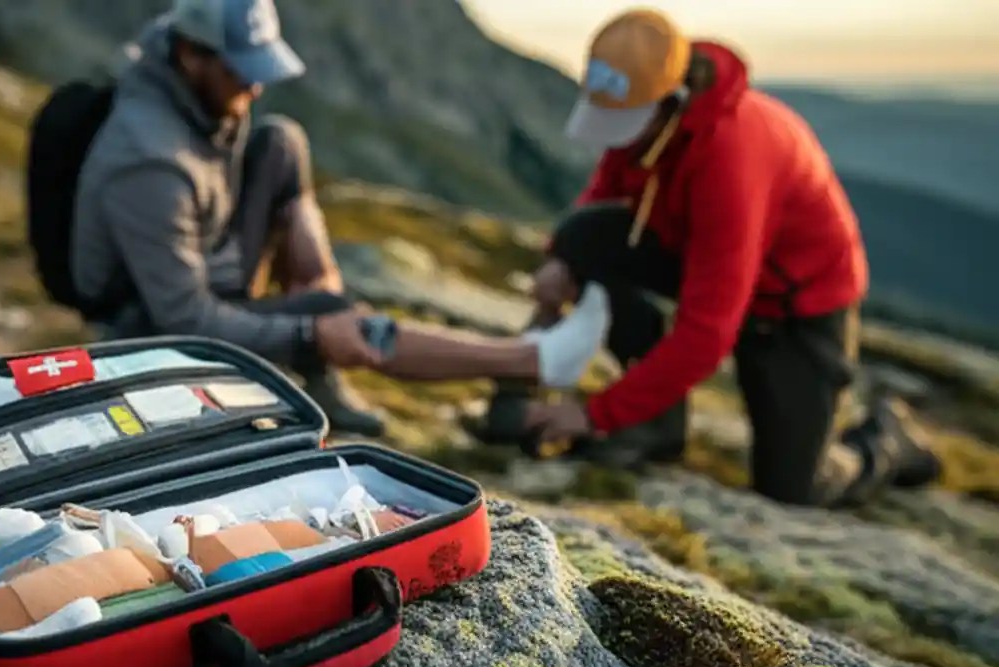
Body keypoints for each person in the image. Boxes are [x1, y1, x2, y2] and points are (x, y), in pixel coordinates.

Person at [71, 0, 611, 437]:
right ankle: (531, 362)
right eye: (243, 74)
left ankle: (322, 363)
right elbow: (184, 321)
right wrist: (311, 333)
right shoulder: (148, 161)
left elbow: (260, 162)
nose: (255, 88)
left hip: (205, 269)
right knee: (341, 321)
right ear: (191, 55)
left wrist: (309, 251)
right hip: (145, 328)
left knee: (282, 141)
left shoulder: (203, 93)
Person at [513, 8, 942, 507]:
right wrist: (559, 261)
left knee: (795, 489)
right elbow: (607, 191)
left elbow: (705, 334)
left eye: (625, 124)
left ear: (672, 102)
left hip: (794, 304)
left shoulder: (730, 161)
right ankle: (655, 425)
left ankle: (888, 438)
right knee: (581, 238)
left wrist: (594, 415)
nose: (617, 137)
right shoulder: (646, 119)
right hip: (700, 253)